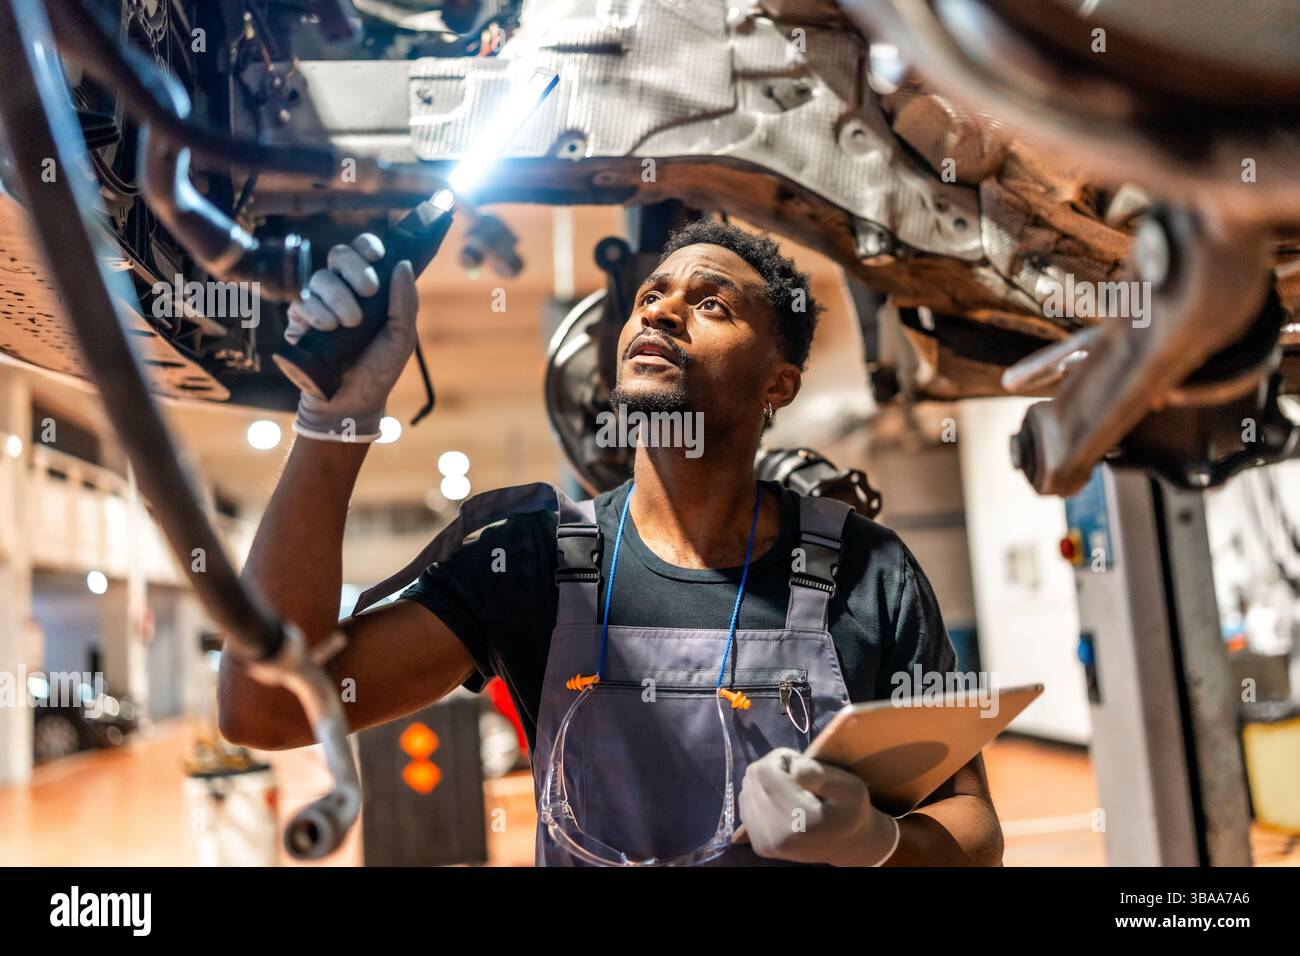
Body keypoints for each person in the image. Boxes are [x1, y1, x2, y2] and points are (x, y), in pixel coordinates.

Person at [218, 219, 1003, 866]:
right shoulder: (531, 563)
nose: (659, 311)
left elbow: (973, 829)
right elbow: (266, 713)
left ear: (779, 383)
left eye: (712, 305)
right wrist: (333, 420)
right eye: (651, 296)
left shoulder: (866, 573)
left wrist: (877, 843)